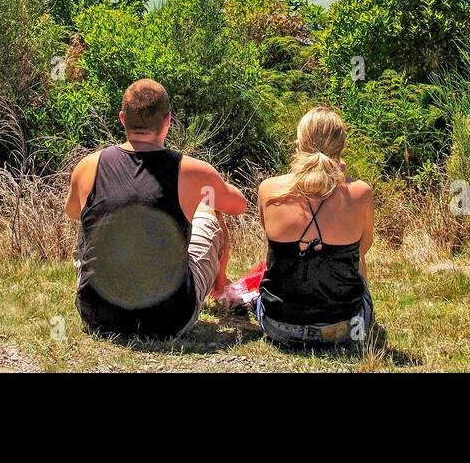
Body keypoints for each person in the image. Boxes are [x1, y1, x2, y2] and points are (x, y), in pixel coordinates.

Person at [66, 78, 248, 339]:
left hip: (98, 316)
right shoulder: (191, 170)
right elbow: (238, 206)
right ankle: (219, 288)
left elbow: (72, 212)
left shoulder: (88, 166)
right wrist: (209, 184)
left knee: (90, 222)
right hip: (168, 319)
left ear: (122, 119)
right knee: (211, 209)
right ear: (167, 121)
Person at [255, 106, 374, 345]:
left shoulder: (269, 188)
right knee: (355, 258)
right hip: (344, 329)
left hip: (279, 326)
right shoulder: (361, 193)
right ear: (341, 149)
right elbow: (362, 249)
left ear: (298, 145)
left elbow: (268, 233)